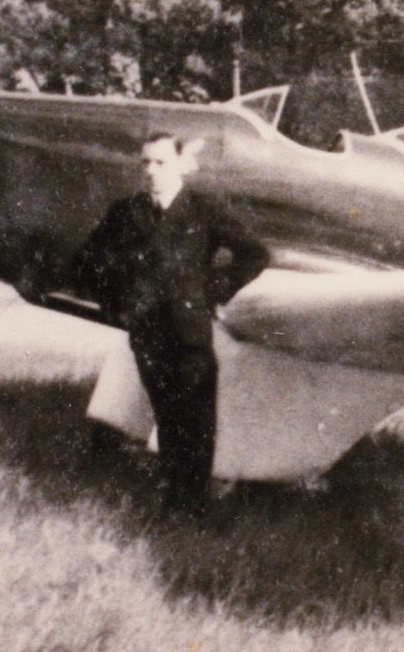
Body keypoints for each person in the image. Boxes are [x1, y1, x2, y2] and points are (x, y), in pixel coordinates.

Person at [76, 133, 270, 519]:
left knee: (196, 420)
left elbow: (255, 254)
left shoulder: (204, 209)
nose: (150, 171)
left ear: (182, 163)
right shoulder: (126, 212)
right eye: (144, 163)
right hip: (147, 333)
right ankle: (172, 504)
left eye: (160, 163)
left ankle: (194, 506)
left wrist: (212, 292)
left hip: (189, 331)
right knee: (166, 417)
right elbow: (91, 261)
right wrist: (116, 304)